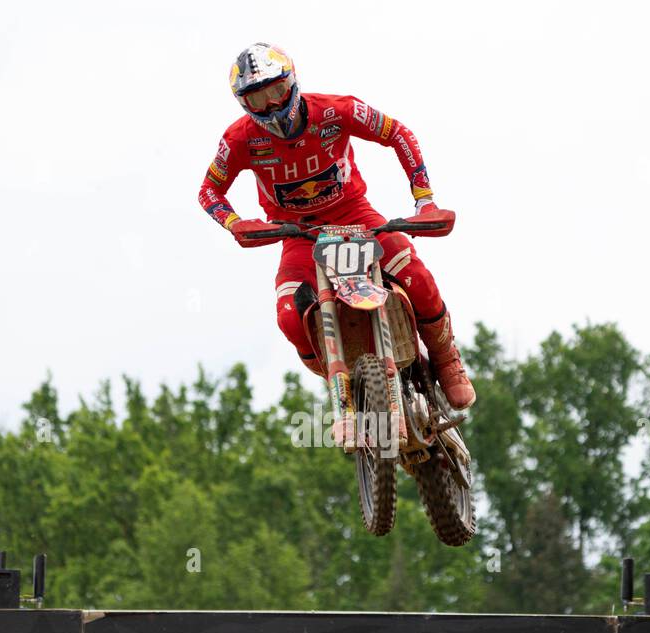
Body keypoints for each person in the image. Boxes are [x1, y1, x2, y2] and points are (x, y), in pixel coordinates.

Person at [197, 42, 476, 409]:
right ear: (243, 104)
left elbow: (399, 133)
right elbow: (209, 191)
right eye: (258, 99)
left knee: (418, 278)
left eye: (277, 91)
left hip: (357, 217)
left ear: (292, 82)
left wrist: (424, 199)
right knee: (289, 319)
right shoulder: (239, 139)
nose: (272, 106)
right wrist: (234, 223)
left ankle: (446, 360)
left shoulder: (335, 110)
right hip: (298, 236)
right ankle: (343, 384)